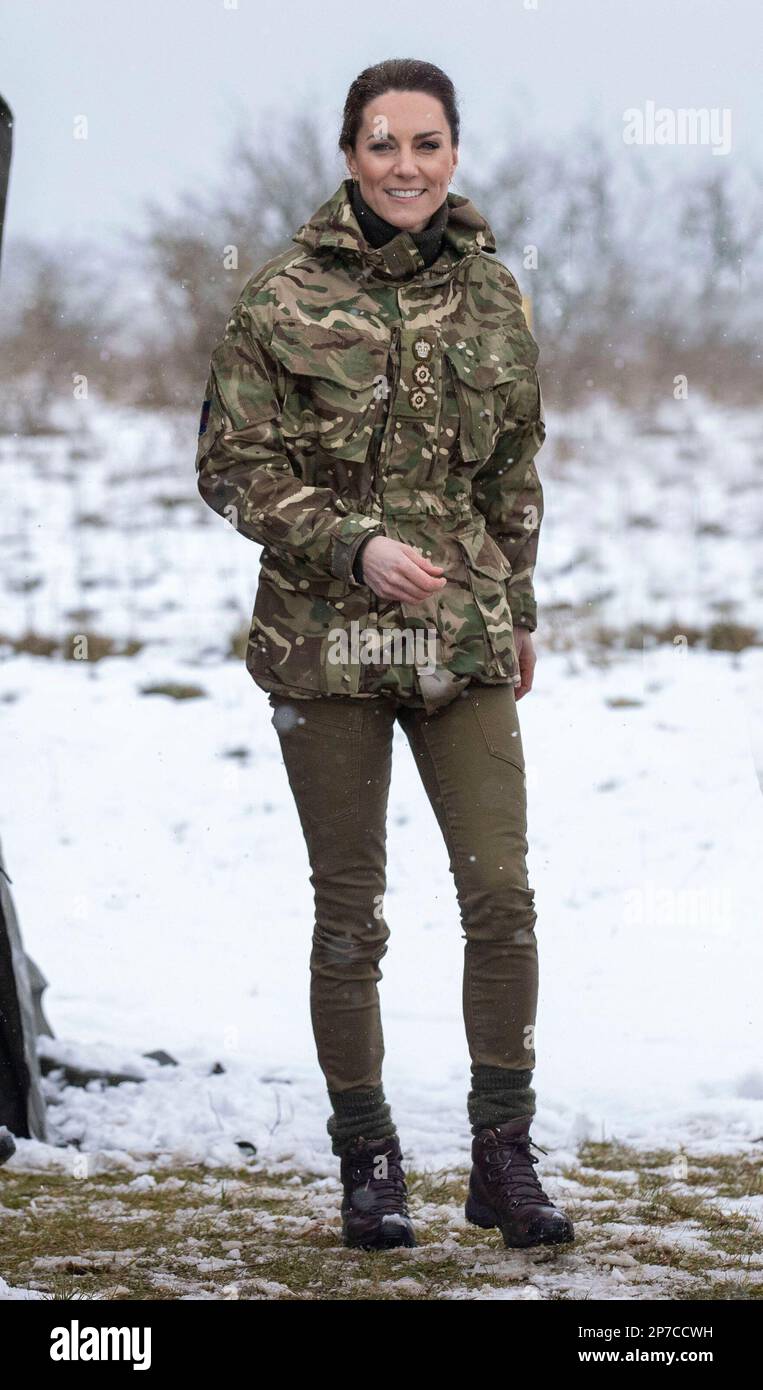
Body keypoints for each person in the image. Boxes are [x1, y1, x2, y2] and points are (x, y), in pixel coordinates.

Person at [195, 57, 573, 1253]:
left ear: (452, 154)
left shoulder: (496, 295)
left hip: (459, 638)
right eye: (381, 144)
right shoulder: (279, 296)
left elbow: (515, 464)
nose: (404, 166)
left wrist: (515, 607)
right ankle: (369, 1163)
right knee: (350, 914)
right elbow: (232, 468)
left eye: (425, 143)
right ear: (348, 155)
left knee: (501, 898)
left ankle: (501, 1162)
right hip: (326, 644)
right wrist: (350, 545)